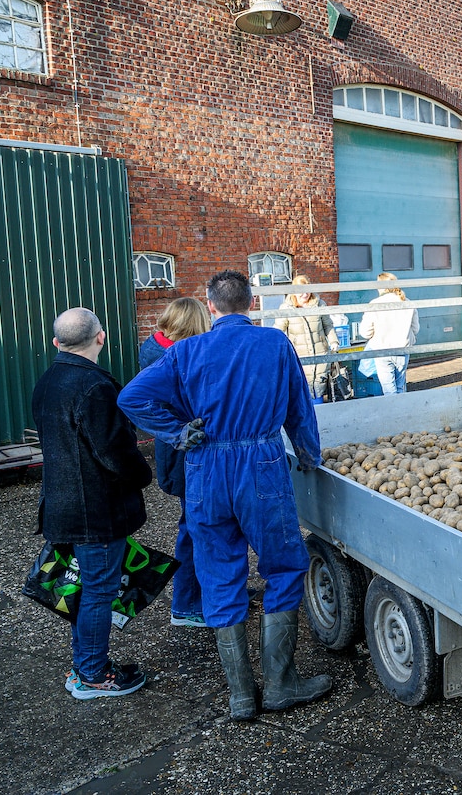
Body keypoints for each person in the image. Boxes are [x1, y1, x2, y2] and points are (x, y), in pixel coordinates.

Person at [118, 270, 331, 721]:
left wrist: (176, 433)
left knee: (218, 573)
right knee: (285, 566)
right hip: (261, 465)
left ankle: (240, 695)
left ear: (210, 307)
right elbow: (299, 410)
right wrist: (310, 457)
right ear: (251, 304)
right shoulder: (274, 344)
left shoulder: (187, 351)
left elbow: (132, 398)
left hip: (206, 470)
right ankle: (279, 684)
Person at [32, 307, 153, 699]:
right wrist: (143, 476)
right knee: (99, 592)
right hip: (95, 511)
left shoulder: (49, 380)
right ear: (101, 337)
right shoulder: (94, 387)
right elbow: (115, 452)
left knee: (85, 590)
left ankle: (85, 663)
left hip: (63, 505)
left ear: (56, 342)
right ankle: (93, 676)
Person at [137, 297, 210, 628]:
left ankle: (203, 594)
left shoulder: (156, 347)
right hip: (183, 456)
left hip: (178, 453)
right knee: (193, 530)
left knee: (196, 527)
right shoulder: (167, 358)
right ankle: (186, 605)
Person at [275, 275, 340, 400]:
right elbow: (279, 330)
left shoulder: (319, 304)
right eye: (301, 291)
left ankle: (319, 415)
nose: (305, 294)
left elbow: (328, 325)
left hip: (320, 353)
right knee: (301, 392)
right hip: (298, 355)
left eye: (307, 290)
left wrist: (333, 341)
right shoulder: (286, 308)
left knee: (319, 389)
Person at [360, 272, 419, 395]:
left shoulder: (374, 304)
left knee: (388, 388)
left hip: (382, 349)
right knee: (400, 386)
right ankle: (402, 411)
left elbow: (365, 332)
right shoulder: (407, 302)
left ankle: (393, 412)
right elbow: (416, 328)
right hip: (403, 348)